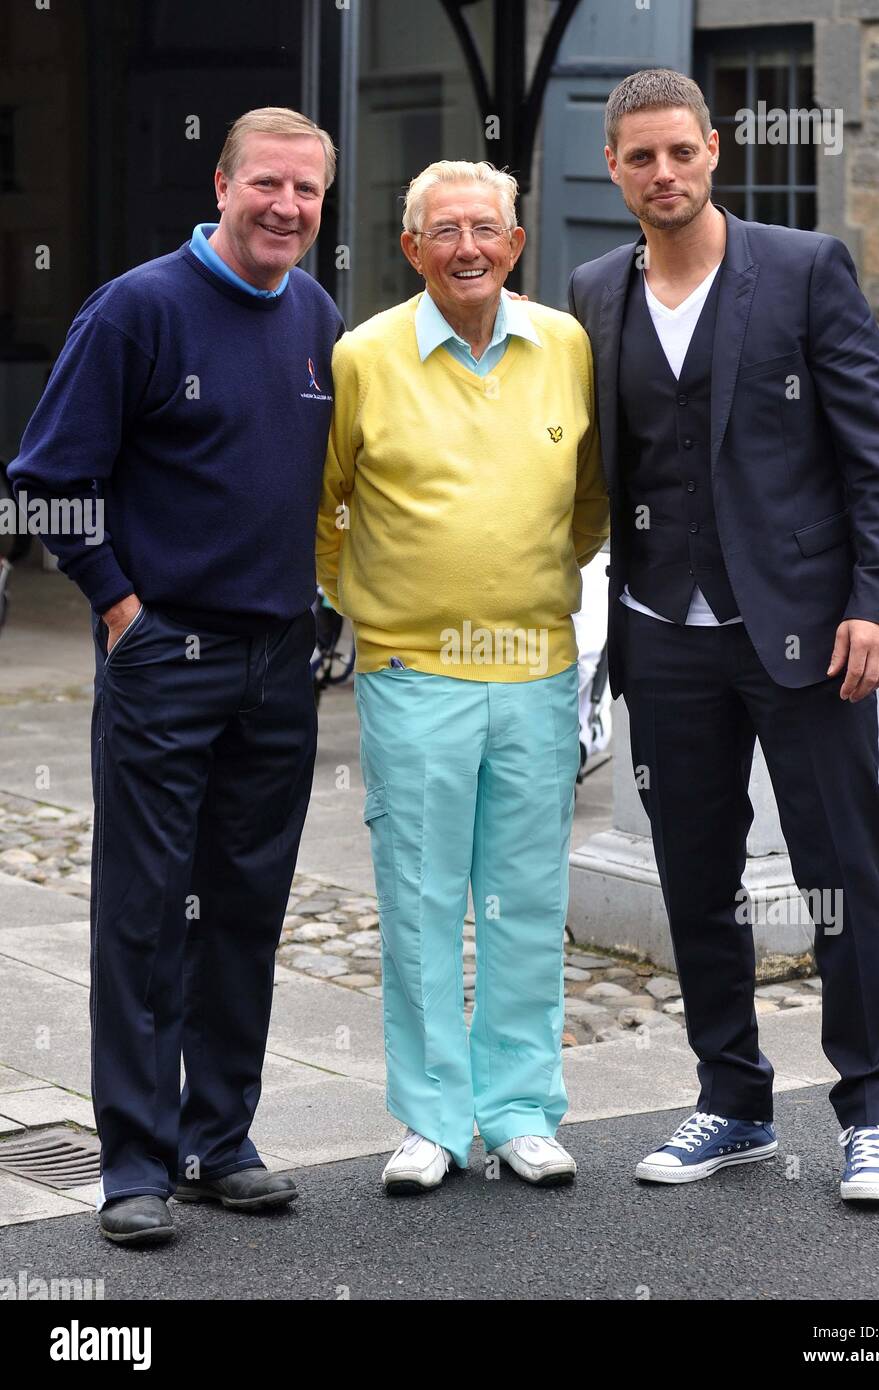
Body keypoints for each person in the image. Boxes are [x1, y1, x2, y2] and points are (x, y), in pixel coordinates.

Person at [569, 69, 879, 1203]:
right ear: (612, 168)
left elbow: (875, 451)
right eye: (639, 158)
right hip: (662, 632)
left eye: (679, 152)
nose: (662, 174)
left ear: (712, 150)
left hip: (808, 633)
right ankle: (732, 1099)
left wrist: (878, 600)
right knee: (694, 879)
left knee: (841, 873)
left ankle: (873, 1111)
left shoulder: (804, 268)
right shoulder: (590, 291)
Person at [9, 107, 343, 1245]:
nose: (286, 207)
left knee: (245, 907)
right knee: (147, 914)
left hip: (277, 664)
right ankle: (135, 1163)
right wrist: (122, 607)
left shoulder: (315, 316)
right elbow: (45, 481)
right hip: (167, 661)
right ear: (221, 183)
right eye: (267, 184)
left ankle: (220, 1137)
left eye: (306, 191)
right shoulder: (139, 307)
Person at [316, 160, 608, 1193]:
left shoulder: (565, 346)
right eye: (443, 232)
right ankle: (434, 1119)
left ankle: (522, 1109)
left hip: (534, 667)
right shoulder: (363, 356)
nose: (467, 248)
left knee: (527, 898)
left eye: (485, 228)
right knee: (421, 896)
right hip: (413, 672)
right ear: (410, 249)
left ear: (516, 244)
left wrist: (524, 586)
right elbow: (330, 500)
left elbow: (589, 501)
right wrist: (375, 610)